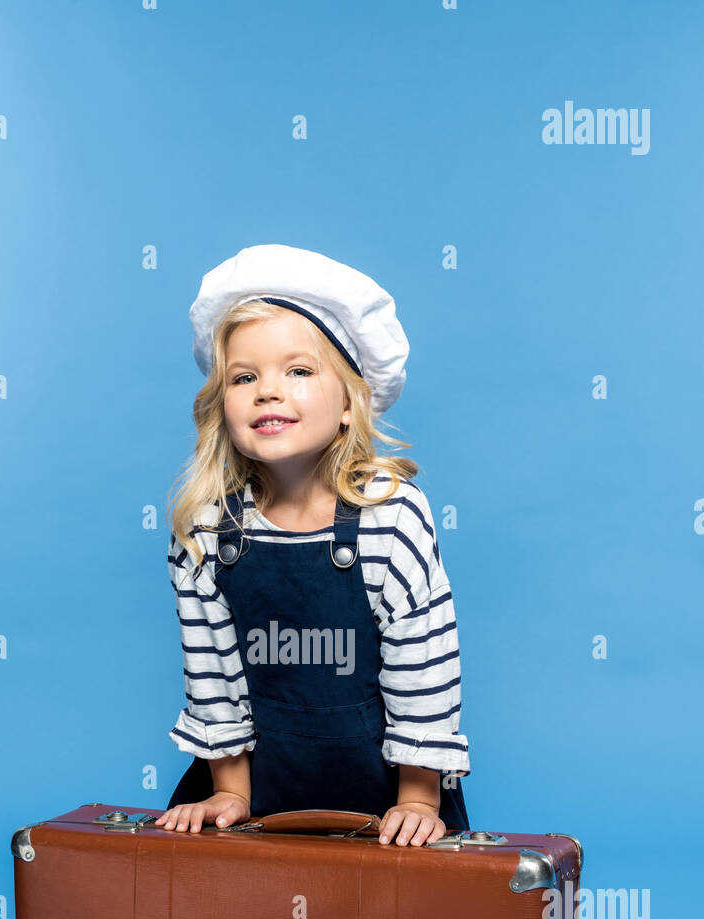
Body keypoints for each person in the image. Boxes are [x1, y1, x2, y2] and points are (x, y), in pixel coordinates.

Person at [153, 244, 470, 847]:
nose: (268, 391)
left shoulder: (391, 515)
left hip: (391, 795)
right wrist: (229, 793)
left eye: (299, 371)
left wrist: (420, 798)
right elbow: (213, 674)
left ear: (351, 403)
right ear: (223, 404)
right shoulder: (207, 530)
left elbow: (424, 666)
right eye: (245, 377)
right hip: (254, 790)